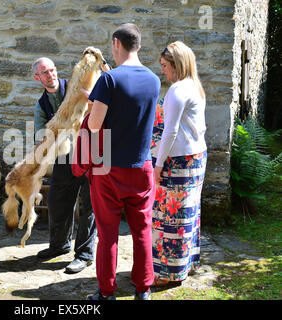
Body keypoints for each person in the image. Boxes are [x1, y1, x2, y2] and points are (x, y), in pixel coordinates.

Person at [85, 23, 161, 300]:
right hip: (141, 167)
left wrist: (94, 102)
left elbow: (94, 126)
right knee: (142, 230)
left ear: (116, 43)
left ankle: (107, 292)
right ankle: (143, 290)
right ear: (138, 46)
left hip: (108, 169)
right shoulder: (154, 79)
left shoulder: (108, 81)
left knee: (107, 233)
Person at [33, 57, 97, 274]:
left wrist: (90, 104)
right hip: (64, 157)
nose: (49, 75)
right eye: (44, 72)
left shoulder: (76, 88)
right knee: (57, 199)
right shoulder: (41, 105)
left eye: (51, 70)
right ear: (37, 78)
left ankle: (84, 255)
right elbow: (41, 135)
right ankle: (59, 245)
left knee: (89, 205)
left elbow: (95, 109)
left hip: (90, 154)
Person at [152, 41, 207, 287]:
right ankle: (185, 265)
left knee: (170, 218)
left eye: (165, 66)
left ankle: (168, 273)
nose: (162, 71)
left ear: (177, 64)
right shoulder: (195, 86)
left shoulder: (177, 90)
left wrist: (159, 163)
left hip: (178, 161)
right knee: (188, 214)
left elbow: (170, 132)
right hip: (196, 157)